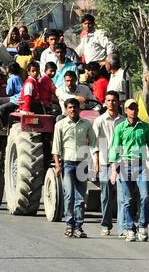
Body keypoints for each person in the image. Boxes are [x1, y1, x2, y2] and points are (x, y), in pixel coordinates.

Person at [108, 99, 149, 242]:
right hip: (125, 165)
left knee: (145, 196)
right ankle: (130, 228)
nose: (133, 111)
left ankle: (143, 226)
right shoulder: (120, 128)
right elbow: (115, 149)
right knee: (127, 200)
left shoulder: (145, 127)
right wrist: (113, 171)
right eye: (131, 108)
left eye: (135, 108)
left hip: (141, 166)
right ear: (126, 111)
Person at [53, 97, 95, 238]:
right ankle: (69, 225)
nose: (72, 110)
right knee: (69, 195)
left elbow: (94, 144)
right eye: (70, 107)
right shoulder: (60, 125)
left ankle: (78, 226)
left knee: (80, 198)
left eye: (75, 107)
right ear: (66, 109)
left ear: (79, 109)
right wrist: (58, 165)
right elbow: (56, 147)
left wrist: (95, 162)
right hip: (68, 164)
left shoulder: (86, 124)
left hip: (82, 164)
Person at [92, 91, 128, 236]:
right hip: (105, 162)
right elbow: (94, 144)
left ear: (118, 102)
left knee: (122, 195)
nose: (111, 103)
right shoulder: (99, 121)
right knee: (105, 194)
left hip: (122, 162)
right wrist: (96, 161)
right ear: (104, 103)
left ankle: (122, 227)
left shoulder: (124, 121)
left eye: (114, 100)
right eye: (108, 100)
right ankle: (106, 225)